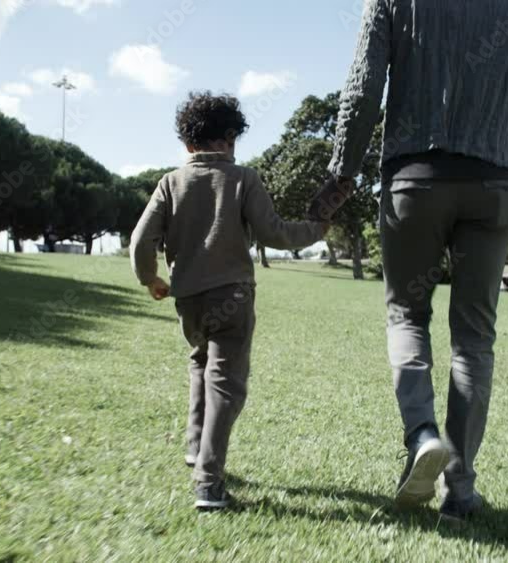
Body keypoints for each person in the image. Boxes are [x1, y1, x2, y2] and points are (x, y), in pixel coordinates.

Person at [319, 0, 508, 520]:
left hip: (414, 180)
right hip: (493, 185)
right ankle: (460, 489)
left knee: (407, 315)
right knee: (474, 337)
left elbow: (362, 91)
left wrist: (342, 171)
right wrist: (497, 147)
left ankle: (423, 434)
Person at [130, 92, 329, 511]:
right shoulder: (243, 179)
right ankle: (208, 483)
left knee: (200, 363)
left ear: (187, 143)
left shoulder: (170, 182)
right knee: (226, 382)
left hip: (188, 301)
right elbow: (274, 234)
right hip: (233, 296)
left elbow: (139, 242)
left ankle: (194, 446)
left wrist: (151, 279)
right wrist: (316, 228)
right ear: (231, 137)